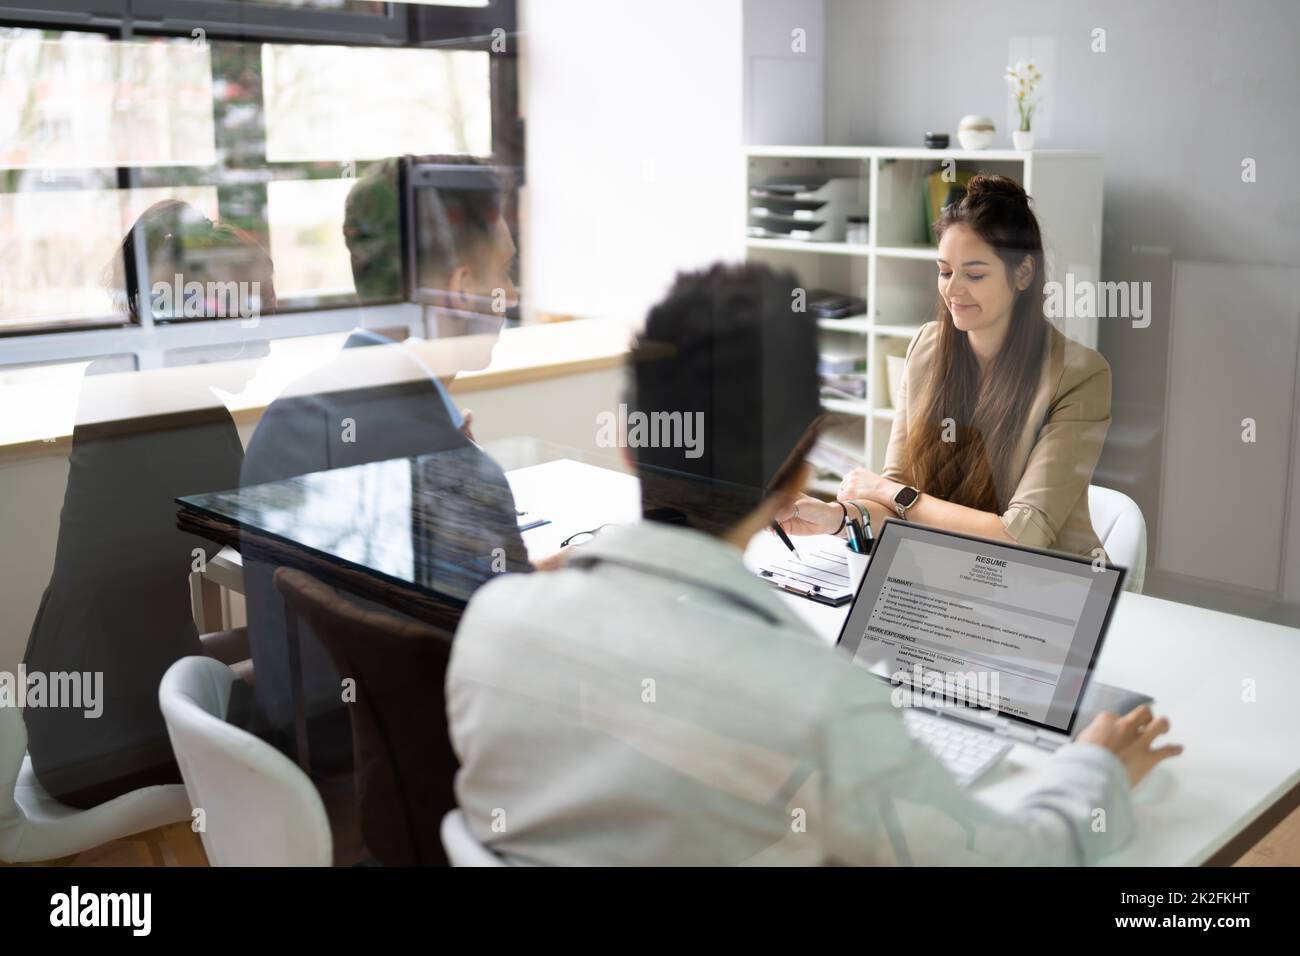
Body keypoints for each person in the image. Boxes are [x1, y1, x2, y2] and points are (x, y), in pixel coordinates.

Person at [444, 261, 1179, 866]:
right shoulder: (821, 705)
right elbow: (1010, 859)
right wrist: (1097, 773)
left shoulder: (490, 624)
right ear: (799, 477)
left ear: (630, 446)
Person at [235, 155, 530, 768]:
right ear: (461, 287)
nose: (516, 294)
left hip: (305, 761)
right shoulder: (452, 472)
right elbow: (516, 670)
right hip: (413, 795)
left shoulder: (290, 412)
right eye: (505, 272)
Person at [22, 201, 273, 807]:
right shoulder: (184, 413)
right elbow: (273, 539)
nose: (265, 339)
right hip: (112, 743)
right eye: (253, 315)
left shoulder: (112, 375)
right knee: (320, 705)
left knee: (264, 660)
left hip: (60, 711)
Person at [782, 174, 1111, 559]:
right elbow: (893, 501)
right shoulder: (926, 348)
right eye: (945, 271)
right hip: (946, 572)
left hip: (1043, 585)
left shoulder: (1079, 374)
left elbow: (1022, 536)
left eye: (974, 274)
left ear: (1023, 273)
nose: (953, 290)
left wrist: (897, 496)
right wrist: (835, 517)